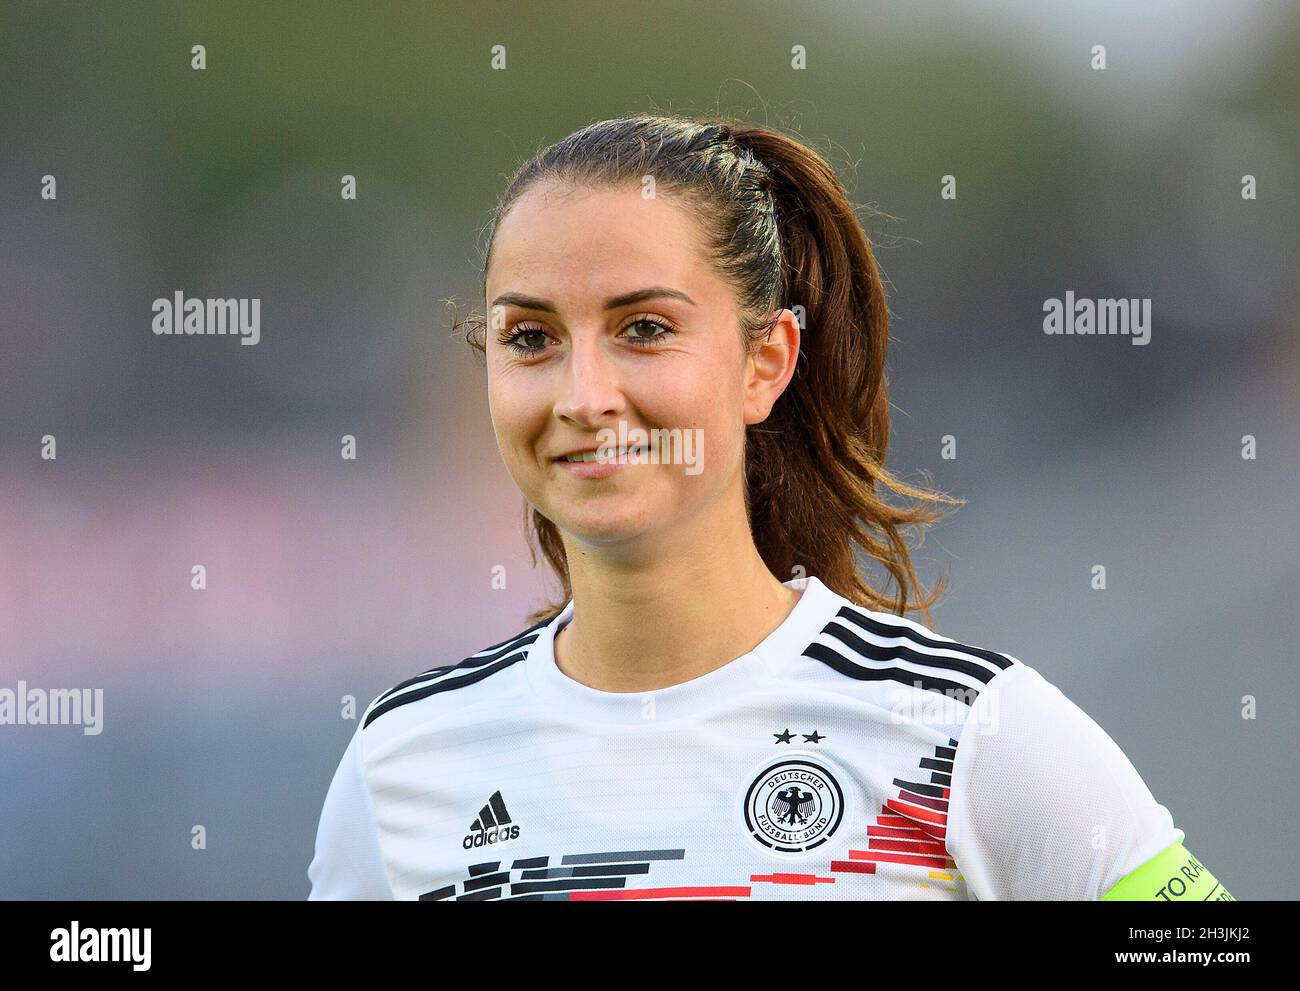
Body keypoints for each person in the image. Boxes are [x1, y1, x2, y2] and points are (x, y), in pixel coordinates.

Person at [308, 112, 1232, 901]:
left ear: (766, 362)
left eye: (644, 329)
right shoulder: (404, 763)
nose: (582, 395)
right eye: (532, 338)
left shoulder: (967, 733)